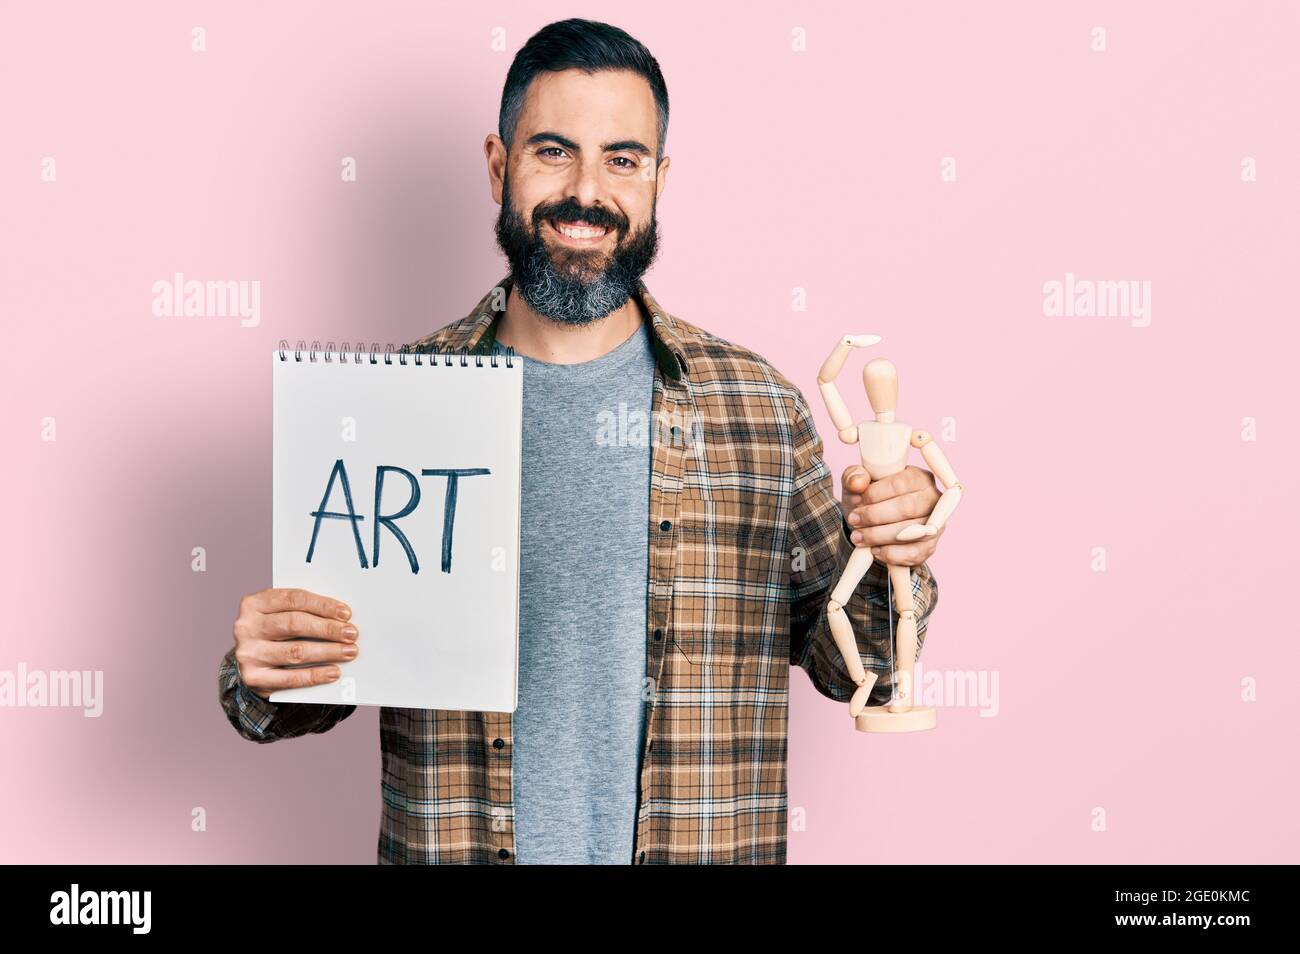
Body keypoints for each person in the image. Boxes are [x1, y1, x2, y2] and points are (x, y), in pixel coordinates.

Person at [219, 17, 944, 864]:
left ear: (659, 180)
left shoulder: (759, 410)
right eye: (553, 151)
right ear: (499, 165)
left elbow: (857, 668)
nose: (588, 192)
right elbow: (296, 689)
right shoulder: (389, 404)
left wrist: (899, 553)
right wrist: (264, 668)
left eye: (623, 159)